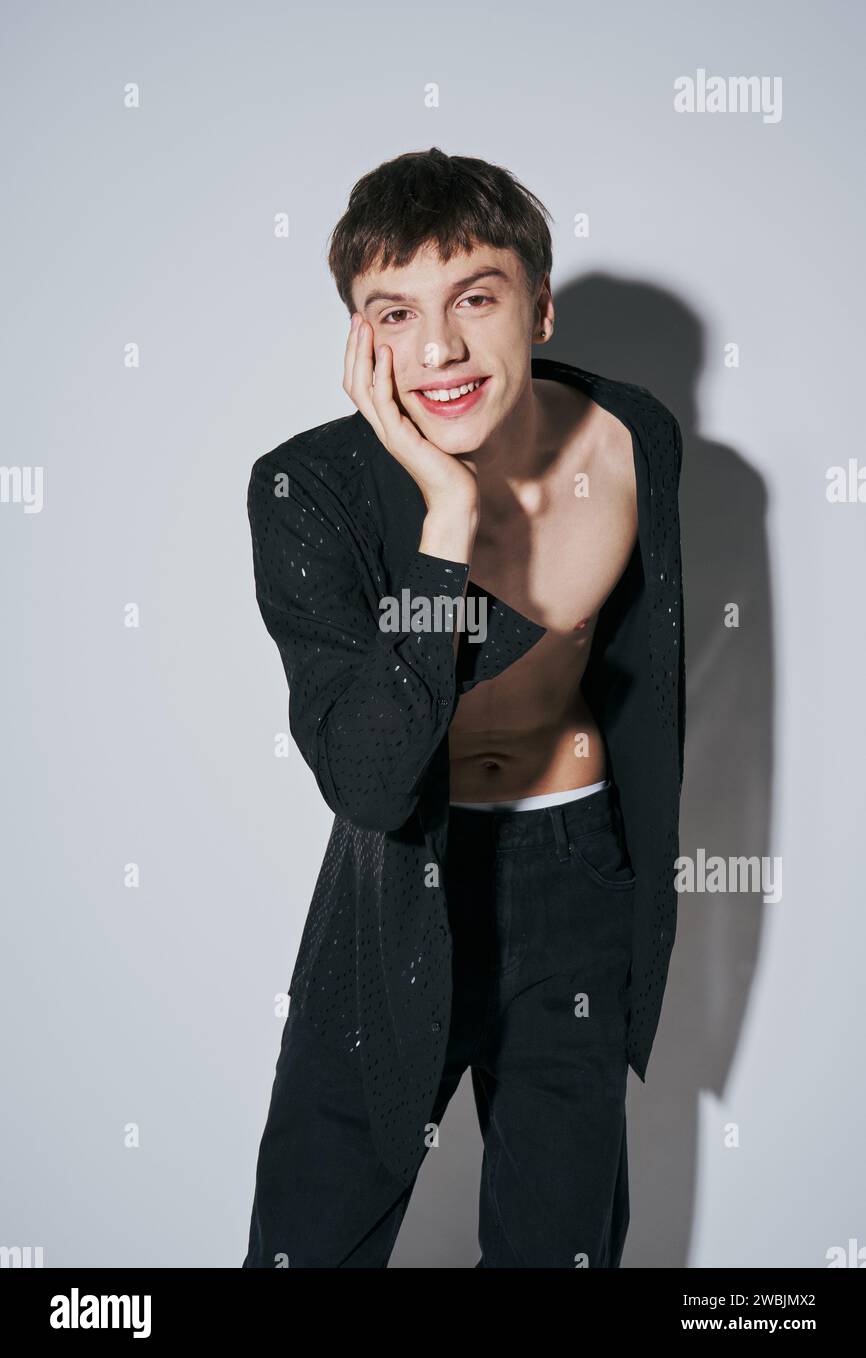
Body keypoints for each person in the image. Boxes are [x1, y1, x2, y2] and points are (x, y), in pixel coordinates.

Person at [241, 147, 686, 1268]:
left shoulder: (633, 437)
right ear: (358, 337)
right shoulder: (308, 492)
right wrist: (445, 518)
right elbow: (371, 778)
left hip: (578, 880)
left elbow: (645, 679)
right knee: (309, 1242)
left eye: (471, 298)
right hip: (397, 889)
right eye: (392, 312)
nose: (434, 348)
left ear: (537, 304)